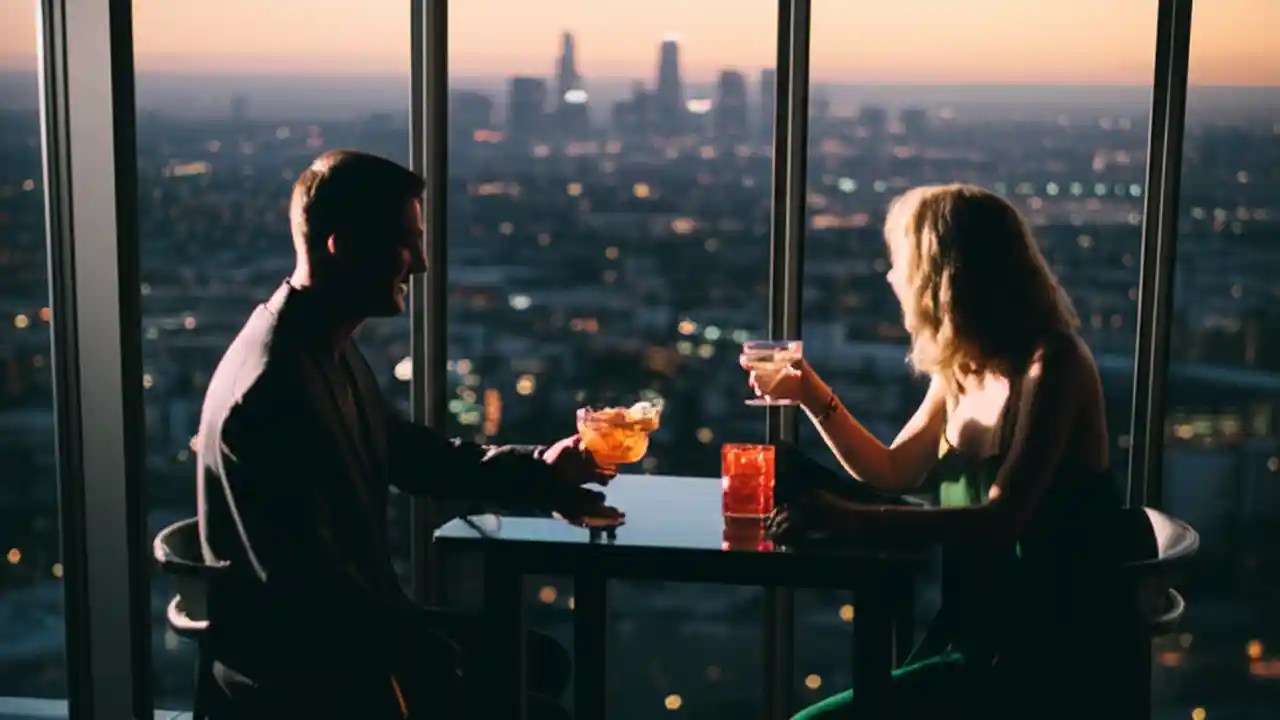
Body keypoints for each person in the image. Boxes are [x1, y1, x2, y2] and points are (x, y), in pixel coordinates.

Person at [196, 149, 617, 719]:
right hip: (314, 677)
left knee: (537, 663)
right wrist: (421, 652)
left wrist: (542, 465)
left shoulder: (310, 348)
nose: (419, 264)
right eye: (406, 242)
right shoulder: (278, 388)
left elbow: (412, 456)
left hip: (330, 643)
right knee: (538, 694)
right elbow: (308, 584)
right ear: (342, 247)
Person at [746, 184, 1145, 719]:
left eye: (900, 263)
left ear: (939, 276)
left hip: (1047, 650)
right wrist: (810, 393)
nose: (892, 278)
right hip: (979, 634)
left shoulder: (1055, 364)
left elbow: (1002, 520)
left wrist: (850, 518)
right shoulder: (961, 369)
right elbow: (893, 470)